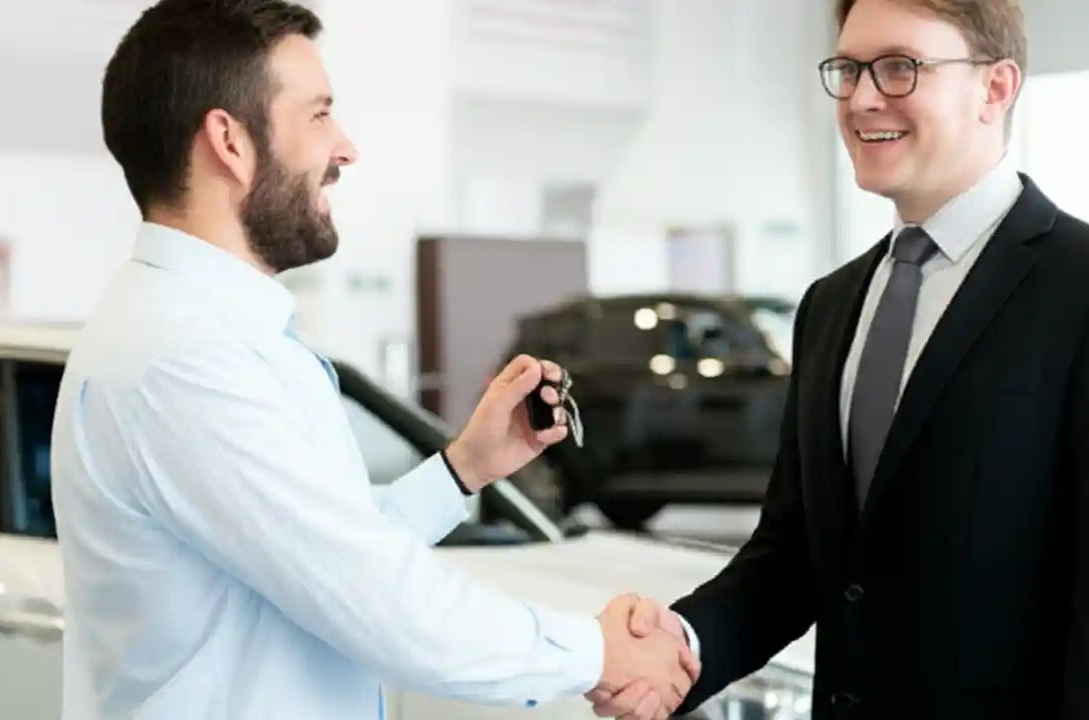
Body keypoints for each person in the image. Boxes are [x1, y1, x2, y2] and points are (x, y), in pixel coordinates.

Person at [50, 1, 698, 718]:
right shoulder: (184, 359)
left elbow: (319, 546)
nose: (347, 149)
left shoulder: (205, 333)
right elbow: (371, 594)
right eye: (320, 115)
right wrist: (598, 653)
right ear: (229, 142)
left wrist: (462, 471)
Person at [588, 0, 1089, 717]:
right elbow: (795, 558)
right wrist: (680, 647)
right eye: (847, 70)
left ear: (995, 87)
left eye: (898, 67)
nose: (860, 98)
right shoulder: (831, 304)